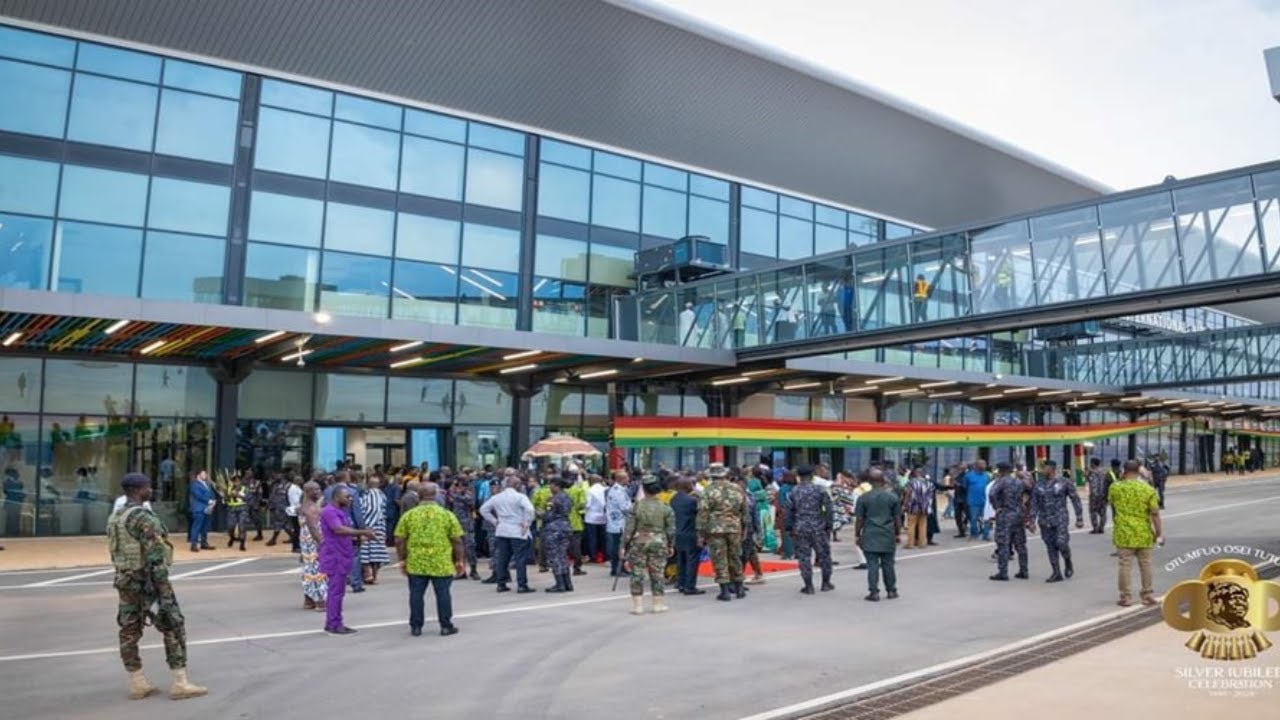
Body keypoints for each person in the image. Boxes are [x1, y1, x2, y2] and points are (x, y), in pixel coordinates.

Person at [106, 472, 207, 700]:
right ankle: (180, 682)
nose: (151, 490)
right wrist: (163, 592)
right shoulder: (143, 518)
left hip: (125, 581)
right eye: (148, 487)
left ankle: (138, 682)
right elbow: (156, 557)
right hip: (148, 583)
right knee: (174, 626)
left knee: (129, 630)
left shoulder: (116, 517)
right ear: (140, 489)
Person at [394, 482, 464, 637]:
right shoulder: (446, 515)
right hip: (441, 561)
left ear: (419, 496)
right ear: (436, 495)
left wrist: (402, 558)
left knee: (416, 594)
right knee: (443, 594)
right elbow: (457, 540)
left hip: (416, 561)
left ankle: (416, 626)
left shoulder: (409, 515)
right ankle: (446, 625)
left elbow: (399, 539)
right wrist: (459, 560)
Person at [318, 486, 375, 634]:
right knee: (335, 592)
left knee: (339, 592)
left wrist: (358, 536)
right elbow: (339, 529)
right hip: (335, 556)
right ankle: (333, 624)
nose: (350, 499)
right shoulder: (330, 511)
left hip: (342, 555)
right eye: (347, 497)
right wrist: (363, 532)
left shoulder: (341, 512)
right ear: (337, 497)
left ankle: (335, 621)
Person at [1109, 459, 1164, 607]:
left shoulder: (1115, 487)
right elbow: (1155, 514)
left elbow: (1112, 504)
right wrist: (1158, 533)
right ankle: (1147, 595)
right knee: (1146, 564)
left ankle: (1126, 597)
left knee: (1125, 565)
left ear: (1124, 470)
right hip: (1143, 532)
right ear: (1139, 470)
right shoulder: (1147, 489)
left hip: (1123, 531)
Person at [624, 475, 676, 614]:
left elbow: (629, 529)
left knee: (637, 573)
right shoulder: (665, 507)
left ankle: (637, 606)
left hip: (639, 541)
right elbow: (671, 529)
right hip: (659, 542)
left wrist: (624, 546)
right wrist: (671, 545)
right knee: (657, 573)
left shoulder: (636, 506)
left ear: (644, 489)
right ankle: (657, 604)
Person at [697, 462, 748, 601]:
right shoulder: (737, 488)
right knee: (735, 556)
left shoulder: (708, 490)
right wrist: (745, 527)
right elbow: (745, 509)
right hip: (734, 527)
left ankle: (725, 591)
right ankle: (740, 588)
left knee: (719, 558)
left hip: (715, 528)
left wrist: (701, 533)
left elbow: (703, 513)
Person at [1029, 460, 1084, 583]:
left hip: (1060, 519)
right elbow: (1034, 504)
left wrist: (1079, 517)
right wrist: (1031, 521)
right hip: (1044, 520)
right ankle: (1056, 572)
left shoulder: (1064, 482)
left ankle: (1067, 561)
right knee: (1050, 546)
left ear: (1052, 469)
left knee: (1061, 543)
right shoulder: (1039, 484)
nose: (1042, 470)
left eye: (1045, 468)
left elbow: (1075, 499)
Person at [480, 476, 537, 594]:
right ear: (517, 485)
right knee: (520, 559)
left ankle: (501, 584)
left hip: (502, 530)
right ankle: (522, 585)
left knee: (502, 558)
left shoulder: (497, 497)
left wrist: (495, 521)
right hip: (517, 530)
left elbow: (483, 509)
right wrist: (527, 522)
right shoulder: (520, 497)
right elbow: (530, 510)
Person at [785, 466, 834, 595]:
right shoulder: (820, 490)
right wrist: (829, 525)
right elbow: (829, 508)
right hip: (818, 526)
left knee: (804, 557)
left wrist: (789, 527)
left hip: (800, 527)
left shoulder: (793, 492)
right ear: (812, 476)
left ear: (799, 477)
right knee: (824, 556)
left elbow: (789, 512)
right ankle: (825, 583)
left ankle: (809, 586)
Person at [854, 469, 900, 602]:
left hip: (870, 533)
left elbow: (859, 519)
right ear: (883, 480)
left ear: (869, 482)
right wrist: (897, 533)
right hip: (887, 533)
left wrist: (857, 535)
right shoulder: (892, 497)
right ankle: (891, 591)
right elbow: (897, 518)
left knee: (872, 565)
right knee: (888, 564)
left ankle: (873, 592)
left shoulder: (864, 498)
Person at [988, 462, 1031, 581]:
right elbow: (1029, 491)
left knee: (1003, 544)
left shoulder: (1001, 481)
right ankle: (1024, 570)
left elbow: (992, 494)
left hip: (1005, 515)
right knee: (1020, 544)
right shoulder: (1018, 481)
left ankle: (1003, 572)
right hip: (1018, 514)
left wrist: (997, 507)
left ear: (1000, 470)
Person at [670, 476, 703, 595]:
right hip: (690, 532)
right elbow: (700, 515)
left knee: (681, 560)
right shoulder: (692, 501)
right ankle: (690, 586)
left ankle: (681, 583)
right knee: (692, 561)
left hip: (678, 533)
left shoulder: (673, 499)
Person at [541, 477, 574, 593]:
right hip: (566, 527)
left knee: (554, 557)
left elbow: (548, 515)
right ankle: (567, 583)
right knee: (563, 555)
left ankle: (559, 584)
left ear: (556, 486)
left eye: (551, 485)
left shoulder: (553, 499)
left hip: (553, 529)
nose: (549, 488)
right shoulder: (567, 497)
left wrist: (540, 513)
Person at [298, 481, 327, 612]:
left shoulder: (304, 506)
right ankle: (320, 601)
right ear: (308, 491)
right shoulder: (311, 508)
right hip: (313, 545)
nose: (319, 491)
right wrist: (323, 544)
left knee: (308, 571)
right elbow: (313, 529)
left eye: (319, 489)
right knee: (318, 571)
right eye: (316, 489)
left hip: (305, 545)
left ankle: (308, 600)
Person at [359, 475, 390, 585]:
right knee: (376, 554)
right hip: (379, 527)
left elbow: (373, 510)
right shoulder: (381, 495)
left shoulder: (371, 495)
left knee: (367, 553)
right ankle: (374, 575)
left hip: (370, 526)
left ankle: (369, 574)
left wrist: (366, 526)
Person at [447, 478, 480, 580]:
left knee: (470, 548)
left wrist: (457, 495)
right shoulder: (452, 494)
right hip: (455, 524)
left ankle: (473, 570)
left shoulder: (468, 493)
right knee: (457, 549)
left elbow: (471, 501)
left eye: (460, 486)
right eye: (457, 486)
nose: (458, 488)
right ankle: (461, 571)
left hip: (467, 524)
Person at [604, 470, 633, 578]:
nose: (628, 479)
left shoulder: (618, 489)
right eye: (626, 477)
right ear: (621, 479)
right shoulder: (618, 491)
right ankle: (618, 569)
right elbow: (625, 508)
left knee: (619, 546)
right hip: (619, 524)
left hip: (616, 523)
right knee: (619, 547)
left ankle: (618, 568)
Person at [903, 470, 932, 549]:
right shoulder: (929, 483)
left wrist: (904, 504)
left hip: (913, 506)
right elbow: (930, 495)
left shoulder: (911, 482)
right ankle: (922, 543)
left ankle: (910, 544)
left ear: (915, 474)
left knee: (911, 525)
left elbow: (908, 493)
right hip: (924, 507)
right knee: (923, 525)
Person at [186, 470, 214, 552]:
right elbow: (198, 495)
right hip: (199, 509)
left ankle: (204, 543)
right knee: (196, 527)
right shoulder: (195, 485)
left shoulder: (207, 484)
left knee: (205, 527)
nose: (205, 475)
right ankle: (193, 544)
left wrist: (213, 500)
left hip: (207, 509)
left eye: (205, 474)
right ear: (198, 475)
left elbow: (211, 493)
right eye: (203, 474)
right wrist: (209, 501)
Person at [963, 460, 990, 540]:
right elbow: (965, 487)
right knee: (973, 519)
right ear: (976, 465)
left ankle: (986, 535)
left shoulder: (986, 475)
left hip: (985, 501)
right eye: (982, 464)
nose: (984, 466)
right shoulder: (968, 476)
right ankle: (974, 534)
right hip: (973, 501)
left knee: (986, 518)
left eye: (985, 464)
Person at [584, 474, 608, 564]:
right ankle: (604, 555)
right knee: (603, 538)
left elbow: (588, 504)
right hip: (603, 517)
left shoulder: (590, 490)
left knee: (592, 538)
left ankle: (593, 556)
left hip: (591, 517)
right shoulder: (605, 489)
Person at [224, 473, 249, 551]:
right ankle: (232, 538)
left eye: (238, 481)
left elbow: (248, 498)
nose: (237, 483)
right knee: (230, 527)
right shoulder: (229, 488)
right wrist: (227, 496)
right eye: (235, 481)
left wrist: (237, 495)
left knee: (242, 527)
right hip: (232, 508)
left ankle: (242, 544)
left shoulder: (244, 489)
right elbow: (226, 498)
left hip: (242, 508)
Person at [1086, 458, 1110, 534]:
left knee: (1093, 511)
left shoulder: (1092, 473)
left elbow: (1092, 483)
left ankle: (1095, 528)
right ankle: (1101, 527)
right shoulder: (1104, 472)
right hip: (1103, 495)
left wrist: (1087, 475)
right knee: (1103, 512)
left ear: (1093, 463)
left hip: (1094, 495)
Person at [285, 474, 304, 553]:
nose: (302, 481)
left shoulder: (297, 488)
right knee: (297, 529)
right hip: (296, 510)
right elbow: (296, 501)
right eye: (301, 479)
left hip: (297, 509)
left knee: (298, 529)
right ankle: (295, 546)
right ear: (296, 481)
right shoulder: (293, 489)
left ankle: (297, 545)